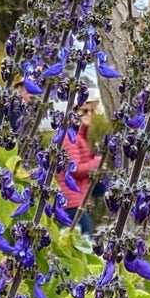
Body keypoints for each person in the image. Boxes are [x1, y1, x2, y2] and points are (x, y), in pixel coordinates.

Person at [60, 96, 101, 238]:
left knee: (83, 243)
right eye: (84, 110)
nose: (89, 114)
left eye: (91, 111)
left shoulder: (80, 137)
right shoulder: (70, 137)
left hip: (78, 201)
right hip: (72, 202)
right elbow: (74, 169)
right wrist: (97, 162)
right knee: (85, 244)